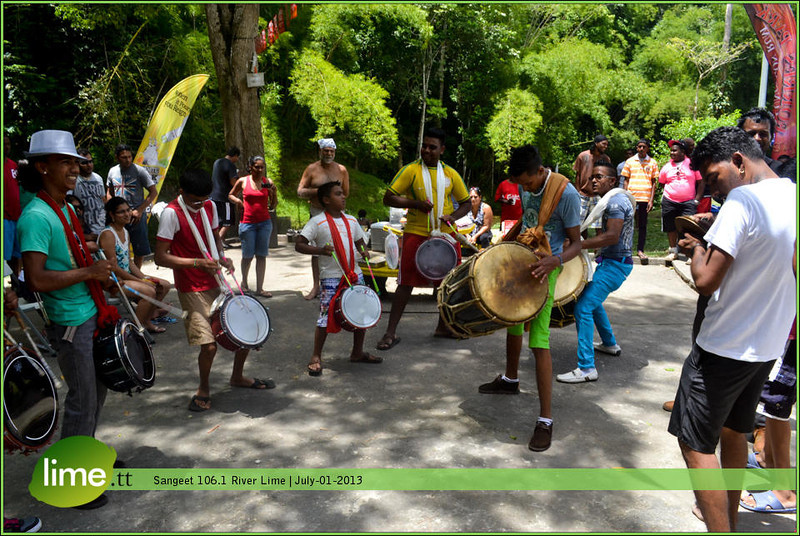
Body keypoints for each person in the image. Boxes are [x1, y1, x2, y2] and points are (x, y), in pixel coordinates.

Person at [668, 126, 796, 532]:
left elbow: (706, 280)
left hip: (723, 345)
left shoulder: (743, 199)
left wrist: (697, 245)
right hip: (766, 346)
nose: (714, 189)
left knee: (694, 442)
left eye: (714, 178)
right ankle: (732, 520)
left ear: (738, 162)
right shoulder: (792, 194)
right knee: (735, 429)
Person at [17, 130, 115, 509]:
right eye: (64, 162)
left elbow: (73, 251)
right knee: (82, 399)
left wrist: (100, 248)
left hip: (89, 310)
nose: (74, 167)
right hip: (70, 318)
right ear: (42, 168)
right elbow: (37, 279)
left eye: (75, 161)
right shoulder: (37, 216)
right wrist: (90, 273)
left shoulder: (66, 208)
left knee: (97, 391)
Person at [478, 144, 582, 453]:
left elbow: (577, 243)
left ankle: (545, 419)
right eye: (521, 184)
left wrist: (555, 261)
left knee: (538, 340)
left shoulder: (567, 194)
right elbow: (527, 222)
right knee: (511, 322)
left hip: (546, 268)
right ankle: (511, 379)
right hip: (522, 257)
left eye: (528, 183)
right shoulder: (525, 185)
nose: (525, 188)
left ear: (540, 170)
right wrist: (498, 246)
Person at [154, 169, 275, 413]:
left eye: (204, 199)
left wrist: (222, 258)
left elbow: (214, 239)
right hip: (191, 287)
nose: (200, 205)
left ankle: (237, 377)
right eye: (195, 200)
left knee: (244, 330)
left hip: (216, 281)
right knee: (209, 346)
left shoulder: (208, 206)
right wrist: (196, 263)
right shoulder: (171, 214)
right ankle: (204, 388)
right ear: (181, 193)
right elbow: (160, 256)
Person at [375, 127, 470, 350]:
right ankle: (390, 333)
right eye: (424, 146)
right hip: (416, 233)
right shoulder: (411, 171)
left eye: (432, 147)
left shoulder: (450, 174)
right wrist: (415, 204)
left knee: (447, 284)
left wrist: (452, 217)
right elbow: (388, 198)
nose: (426, 150)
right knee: (405, 283)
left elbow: (465, 202)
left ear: (442, 150)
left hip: (445, 235)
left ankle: (443, 326)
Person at [556, 162, 633, 383]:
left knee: (583, 307)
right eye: (592, 178)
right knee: (593, 300)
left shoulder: (616, 202)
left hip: (615, 265)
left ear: (612, 180)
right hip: (613, 262)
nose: (594, 181)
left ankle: (587, 367)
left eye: (599, 177)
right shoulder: (614, 199)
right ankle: (609, 344)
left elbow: (611, 237)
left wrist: (579, 245)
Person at [295, 181, 383, 376]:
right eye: (337, 194)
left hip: (354, 273)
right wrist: (320, 251)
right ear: (326, 200)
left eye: (343, 193)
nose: (343, 197)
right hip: (331, 277)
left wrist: (364, 252)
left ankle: (357, 352)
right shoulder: (317, 222)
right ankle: (316, 356)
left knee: (361, 313)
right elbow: (299, 244)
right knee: (325, 316)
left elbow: (360, 242)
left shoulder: (351, 221)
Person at [99, 196, 173, 334]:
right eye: (121, 212)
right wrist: (140, 281)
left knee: (163, 285)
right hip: (113, 281)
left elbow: (129, 262)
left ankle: (147, 319)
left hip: (126, 277)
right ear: (111, 215)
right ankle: (136, 329)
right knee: (149, 291)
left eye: (128, 210)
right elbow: (114, 268)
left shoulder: (125, 231)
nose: (127, 214)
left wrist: (144, 277)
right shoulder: (108, 234)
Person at [297, 138, 350, 300]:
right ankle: (316, 286)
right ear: (320, 151)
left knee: (340, 248)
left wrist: (335, 199)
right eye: (326, 150)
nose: (329, 154)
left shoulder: (341, 170)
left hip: (336, 215)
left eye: (331, 151)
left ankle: (343, 282)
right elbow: (300, 191)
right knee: (316, 252)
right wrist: (320, 192)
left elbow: (346, 192)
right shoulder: (312, 169)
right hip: (317, 213)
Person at [227, 156, 277, 298]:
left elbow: (273, 205)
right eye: (257, 167)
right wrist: (238, 201)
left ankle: (260, 288)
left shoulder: (267, 182)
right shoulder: (243, 181)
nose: (260, 170)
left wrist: (273, 192)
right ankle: (244, 283)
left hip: (264, 223)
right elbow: (230, 195)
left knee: (261, 255)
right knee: (247, 255)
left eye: (262, 167)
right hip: (247, 223)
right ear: (250, 167)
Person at [106, 144, 157, 269]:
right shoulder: (113, 171)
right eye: (124, 157)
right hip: (118, 216)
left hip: (136, 216)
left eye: (129, 157)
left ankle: (137, 274)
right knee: (119, 246)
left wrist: (139, 210)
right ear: (117, 157)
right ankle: (123, 272)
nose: (128, 160)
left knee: (139, 248)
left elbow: (153, 192)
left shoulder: (139, 171)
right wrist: (112, 209)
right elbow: (109, 192)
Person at [658, 140, 702, 262]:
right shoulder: (666, 167)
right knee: (670, 227)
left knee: (688, 227)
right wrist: (672, 193)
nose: (672, 152)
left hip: (688, 201)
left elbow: (701, 182)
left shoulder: (692, 164)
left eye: (675, 150)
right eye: (671, 150)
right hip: (669, 201)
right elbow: (662, 183)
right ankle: (673, 251)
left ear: (683, 152)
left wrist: (697, 199)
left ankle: (690, 254)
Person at [621, 138, 658, 264]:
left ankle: (640, 250)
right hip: (631, 198)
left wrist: (651, 200)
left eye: (643, 147)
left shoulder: (652, 162)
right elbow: (626, 180)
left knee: (642, 225)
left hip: (645, 198)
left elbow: (654, 183)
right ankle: (626, 250)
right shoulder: (630, 162)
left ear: (647, 148)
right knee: (627, 224)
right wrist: (625, 195)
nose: (641, 149)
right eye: (639, 146)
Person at [573, 134, 611, 236]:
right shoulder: (583, 156)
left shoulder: (606, 159)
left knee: (598, 226)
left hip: (597, 196)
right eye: (603, 144)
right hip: (583, 195)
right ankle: (581, 249)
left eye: (607, 145)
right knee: (579, 225)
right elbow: (578, 175)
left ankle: (598, 251)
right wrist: (577, 192)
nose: (605, 146)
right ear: (596, 143)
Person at [73, 147, 106, 242]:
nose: (89, 165)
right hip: (84, 228)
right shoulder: (73, 180)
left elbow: (103, 199)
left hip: (101, 225)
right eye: (84, 163)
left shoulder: (98, 178)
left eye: (91, 161)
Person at [210, 146, 241, 243]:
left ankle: (221, 241)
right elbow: (233, 182)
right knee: (227, 222)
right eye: (237, 157)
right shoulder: (231, 165)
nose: (237, 159)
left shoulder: (217, 162)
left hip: (213, 196)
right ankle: (217, 242)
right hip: (225, 197)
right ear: (235, 155)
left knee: (218, 221)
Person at [4, 135, 22, 275]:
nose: (6, 147)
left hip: (17, 217)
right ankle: (6, 288)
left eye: (8, 144)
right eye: (3, 144)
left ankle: (18, 285)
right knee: (5, 257)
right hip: (4, 218)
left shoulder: (13, 165)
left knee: (19, 255)